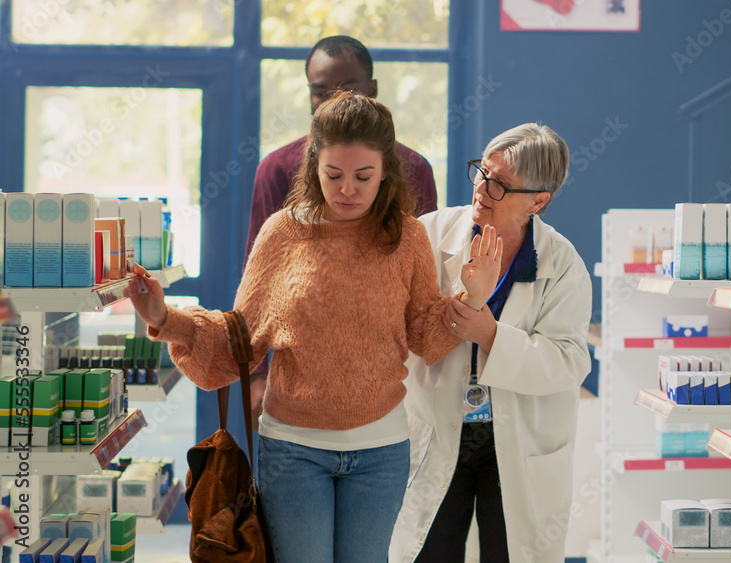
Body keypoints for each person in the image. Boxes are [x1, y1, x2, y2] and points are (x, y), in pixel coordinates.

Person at [130, 91, 502, 563]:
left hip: (382, 450)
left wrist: (474, 294)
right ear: (314, 167)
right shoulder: (283, 233)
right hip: (293, 449)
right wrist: (164, 318)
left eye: (363, 176)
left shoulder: (407, 236)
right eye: (334, 175)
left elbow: (426, 334)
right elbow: (238, 339)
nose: (348, 188)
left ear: (385, 170)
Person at [389, 124, 592, 563]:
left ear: (539, 201)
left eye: (500, 185)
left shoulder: (562, 265)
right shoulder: (429, 235)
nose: (483, 188)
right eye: (482, 172)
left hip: (514, 440)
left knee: (509, 552)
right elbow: (399, 327)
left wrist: (491, 335)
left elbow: (570, 360)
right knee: (427, 551)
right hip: (439, 428)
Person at [245, 35, 440, 424]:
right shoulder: (277, 168)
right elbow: (258, 290)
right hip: (297, 390)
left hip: (389, 384)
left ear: (372, 90)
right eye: (320, 92)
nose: (348, 189)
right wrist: (256, 374)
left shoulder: (415, 170)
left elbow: (425, 288)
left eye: (346, 88)